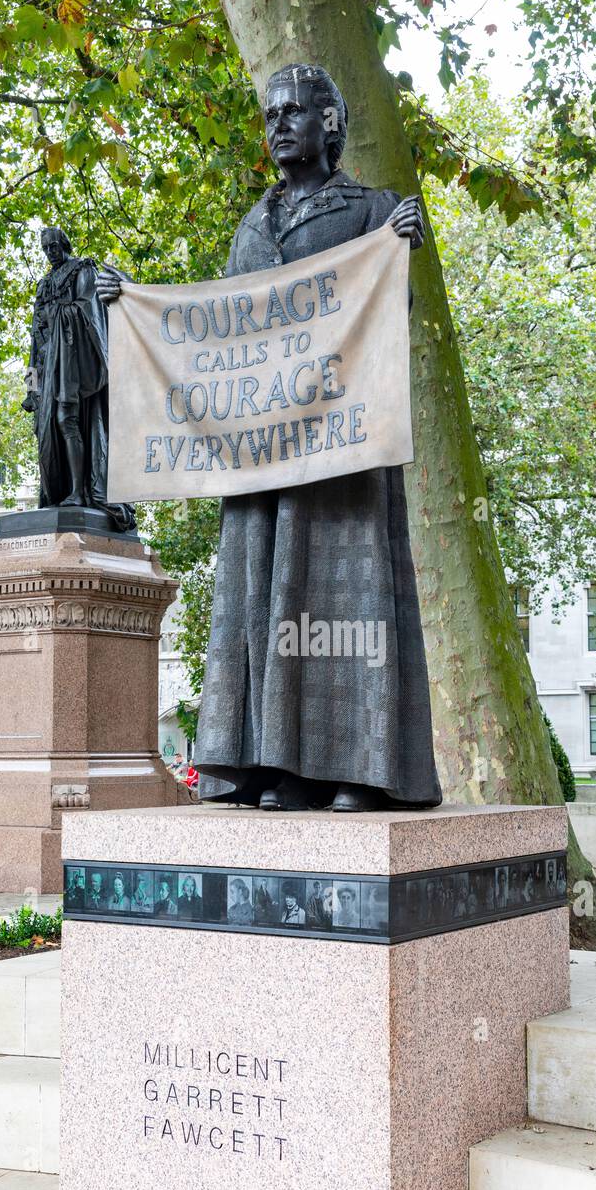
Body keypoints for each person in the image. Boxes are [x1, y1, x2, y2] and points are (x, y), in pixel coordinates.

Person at [96, 63, 441, 813]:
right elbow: (212, 337)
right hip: (259, 464)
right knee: (261, 603)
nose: (279, 124)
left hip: (342, 458)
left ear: (332, 124)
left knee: (345, 611)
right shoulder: (253, 225)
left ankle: (357, 769)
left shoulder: (375, 211)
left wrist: (399, 253)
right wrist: (126, 307)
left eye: (295, 111)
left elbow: (386, 315)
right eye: (270, 114)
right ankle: (264, 762)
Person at [23, 225, 135, 530]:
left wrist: (58, 315)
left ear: (64, 243)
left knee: (66, 419)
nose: (49, 252)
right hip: (49, 369)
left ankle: (78, 491)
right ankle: (62, 492)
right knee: (49, 430)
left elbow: (91, 312)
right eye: (44, 248)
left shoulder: (82, 270)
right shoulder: (44, 285)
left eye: (53, 246)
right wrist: (31, 387)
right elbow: (35, 339)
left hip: (74, 363)